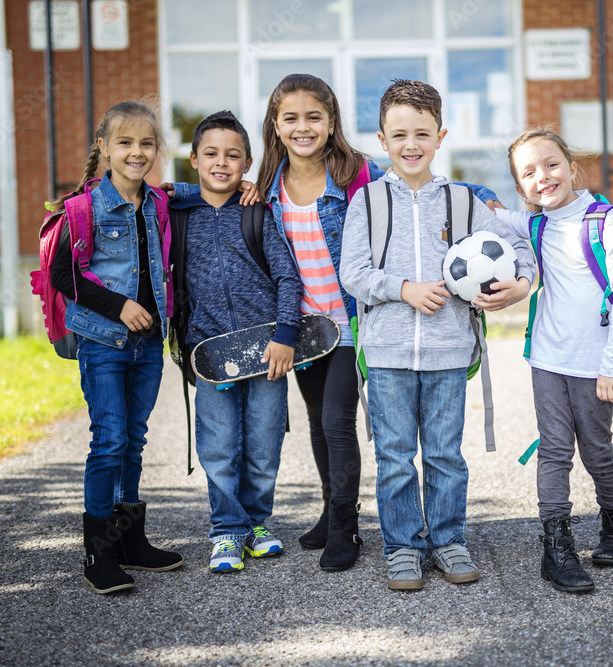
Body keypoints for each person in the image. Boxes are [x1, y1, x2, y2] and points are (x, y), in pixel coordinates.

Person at [178, 73, 500, 572]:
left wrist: (482, 191)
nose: (302, 127)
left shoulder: (357, 175)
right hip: (303, 329)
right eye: (291, 118)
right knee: (316, 423)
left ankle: (346, 523)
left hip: (352, 319)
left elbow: (414, 177)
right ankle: (332, 511)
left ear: (331, 124)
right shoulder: (264, 184)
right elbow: (195, 190)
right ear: (276, 125)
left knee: (336, 421)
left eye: (314, 117)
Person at [339, 79, 536, 590]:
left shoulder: (465, 202)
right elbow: (353, 273)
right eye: (399, 134)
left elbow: (520, 248)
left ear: (440, 136)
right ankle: (403, 546)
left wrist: (519, 286)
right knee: (396, 456)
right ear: (382, 140)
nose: (411, 144)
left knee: (445, 454)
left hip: (450, 350)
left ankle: (448, 540)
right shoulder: (366, 203)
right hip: (386, 354)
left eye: (422, 133)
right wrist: (404, 289)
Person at [493, 126, 613, 593]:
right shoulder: (534, 223)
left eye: (551, 164)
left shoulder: (603, 222)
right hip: (547, 359)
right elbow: (487, 212)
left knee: (597, 450)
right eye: (529, 173)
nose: (543, 177)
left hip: (595, 365)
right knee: (554, 450)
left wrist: (611, 365)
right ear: (522, 188)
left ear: (572, 168)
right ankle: (556, 546)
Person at [51, 100, 183, 594]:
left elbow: (202, 189)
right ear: (104, 148)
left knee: (134, 439)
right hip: (104, 341)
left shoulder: (159, 203)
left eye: (146, 143)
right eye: (125, 143)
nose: (137, 152)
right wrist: (119, 306)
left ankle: (132, 542)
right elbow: (62, 275)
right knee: (108, 440)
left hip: (147, 345)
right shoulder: (82, 209)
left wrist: (245, 184)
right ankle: (98, 554)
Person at [169, 110, 303, 573]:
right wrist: (180, 191)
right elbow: (153, 192)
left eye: (232, 155)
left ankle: (257, 524)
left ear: (247, 164)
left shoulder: (258, 213)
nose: (221, 163)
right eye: (211, 154)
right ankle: (227, 531)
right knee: (220, 444)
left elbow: (288, 276)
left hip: (268, 348)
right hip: (209, 352)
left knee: (264, 443)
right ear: (193, 159)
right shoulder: (177, 214)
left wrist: (286, 335)